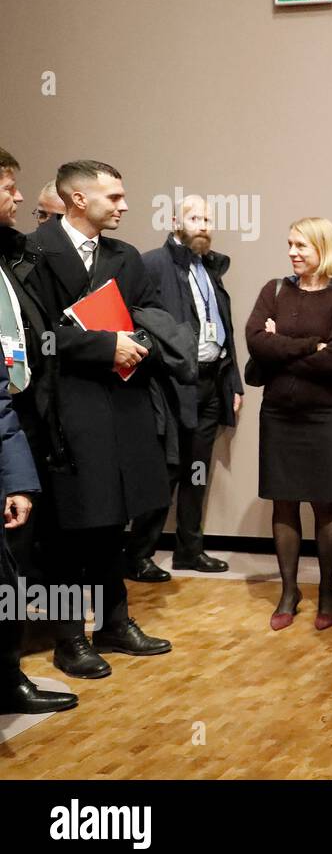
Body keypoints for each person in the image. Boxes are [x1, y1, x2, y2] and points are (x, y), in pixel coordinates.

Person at [26, 160, 173, 679]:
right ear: (78, 200)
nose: (124, 206)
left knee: (114, 520)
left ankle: (115, 621)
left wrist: (141, 344)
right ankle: (70, 638)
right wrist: (105, 344)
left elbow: (155, 319)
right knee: (70, 528)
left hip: (124, 405)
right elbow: (33, 338)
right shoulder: (33, 253)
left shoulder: (126, 257)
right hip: (67, 409)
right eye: (114, 197)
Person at [125, 195, 242, 581]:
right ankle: (138, 554)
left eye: (208, 218)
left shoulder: (209, 267)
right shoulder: (153, 264)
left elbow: (222, 326)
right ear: (175, 220)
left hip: (210, 382)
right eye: (195, 217)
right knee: (167, 470)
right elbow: (134, 317)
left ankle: (189, 550)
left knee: (197, 469)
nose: (203, 225)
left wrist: (233, 381)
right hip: (172, 384)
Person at [244, 218, 332, 632]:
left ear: (323, 247)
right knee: (283, 501)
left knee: (325, 502)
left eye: (302, 245)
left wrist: (281, 345)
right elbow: (255, 341)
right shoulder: (274, 289)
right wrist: (310, 345)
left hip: (325, 415)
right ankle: (289, 591)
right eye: (289, 244)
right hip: (278, 413)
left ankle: (327, 590)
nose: (293, 252)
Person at [0, 150, 75, 714]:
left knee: (17, 560)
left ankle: (9, 675)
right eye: (8, 187)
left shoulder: (11, 258)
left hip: (19, 418)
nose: (19, 198)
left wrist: (18, 477)